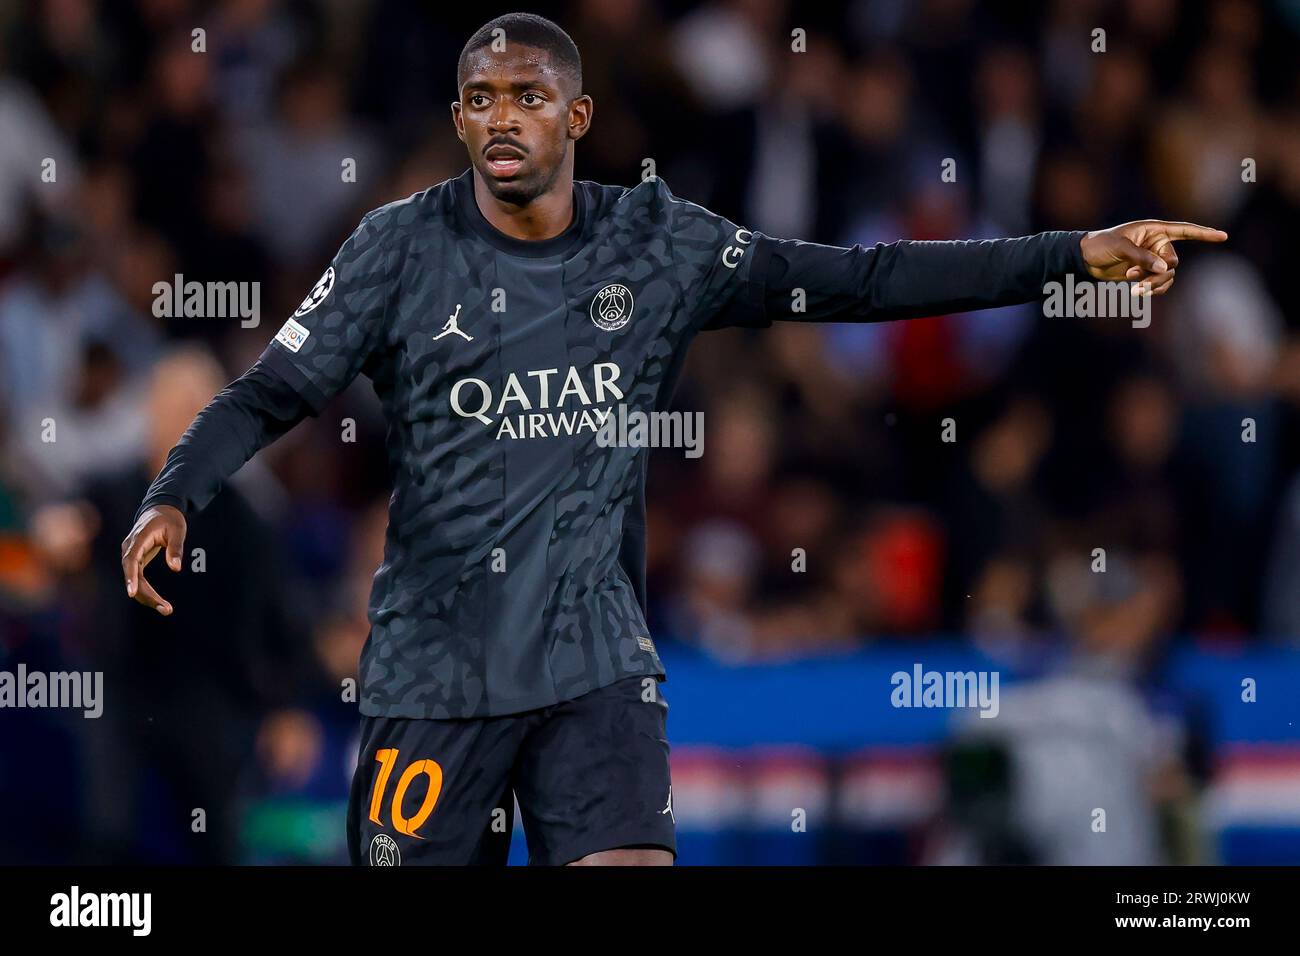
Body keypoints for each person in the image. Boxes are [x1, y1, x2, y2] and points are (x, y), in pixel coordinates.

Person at [119, 12, 1227, 866]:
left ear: (577, 117)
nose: (502, 117)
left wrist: (1069, 252)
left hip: (594, 665)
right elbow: (267, 391)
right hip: (433, 674)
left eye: (528, 95)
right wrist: (177, 488)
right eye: (479, 99)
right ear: (458, 120)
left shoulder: (659, 244)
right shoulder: (394, 250)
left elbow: (863, 281)